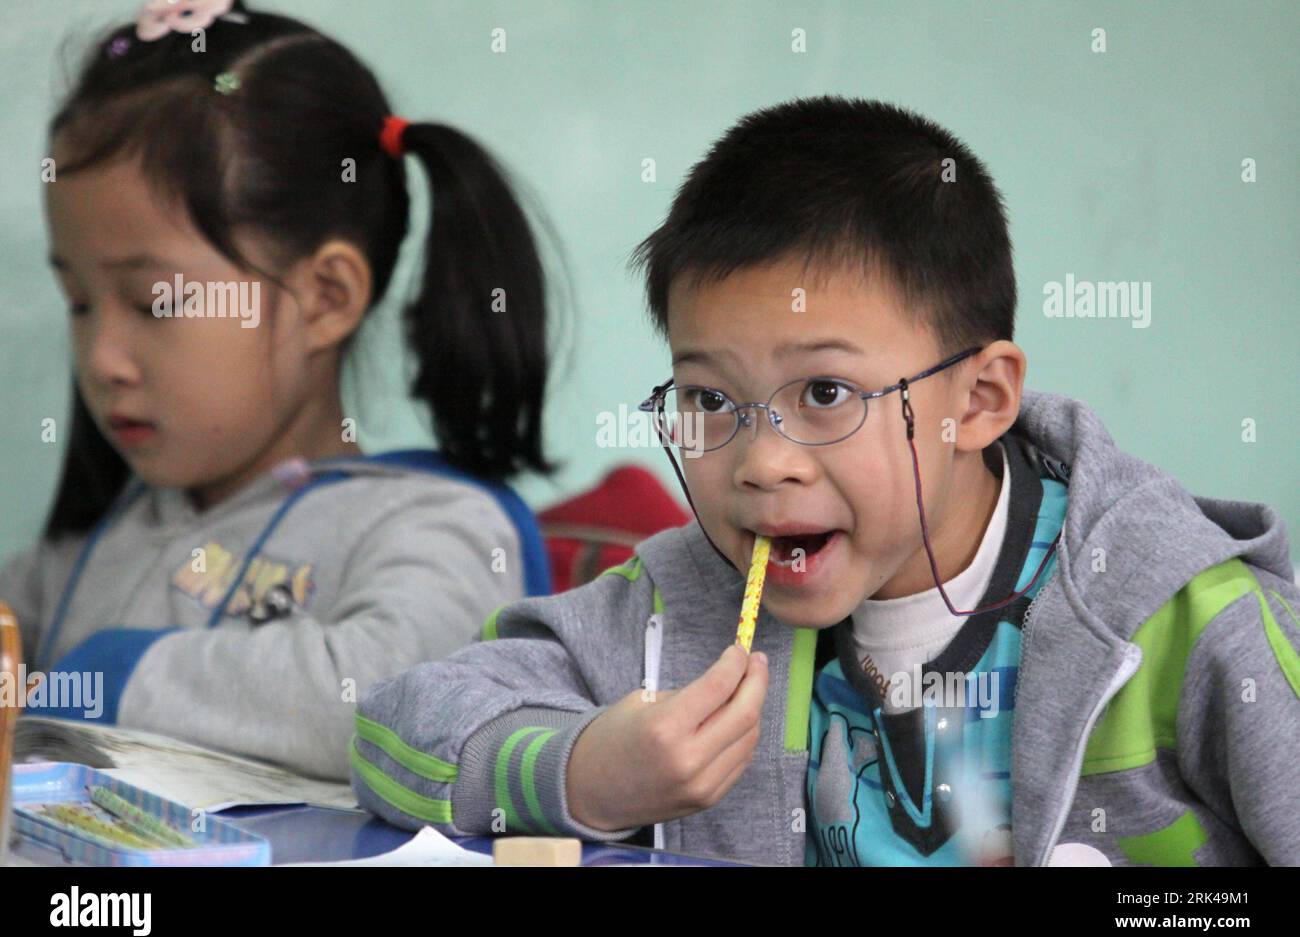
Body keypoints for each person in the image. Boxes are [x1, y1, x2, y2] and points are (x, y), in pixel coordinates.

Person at [352, 96, 1300, 864]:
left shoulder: (1179, 620)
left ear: (977, 400)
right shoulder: (678, 608)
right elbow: (393, 734)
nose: (762, 464)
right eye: (711, 401)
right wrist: (588, 773)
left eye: (826, 392)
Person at [0, 0, 556, 781]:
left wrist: (110, 676)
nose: (103, 358)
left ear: (326, 297)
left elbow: (402, 702)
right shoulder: (112, 533)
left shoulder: (436, 527)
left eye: (155, 301)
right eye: (80, 303)